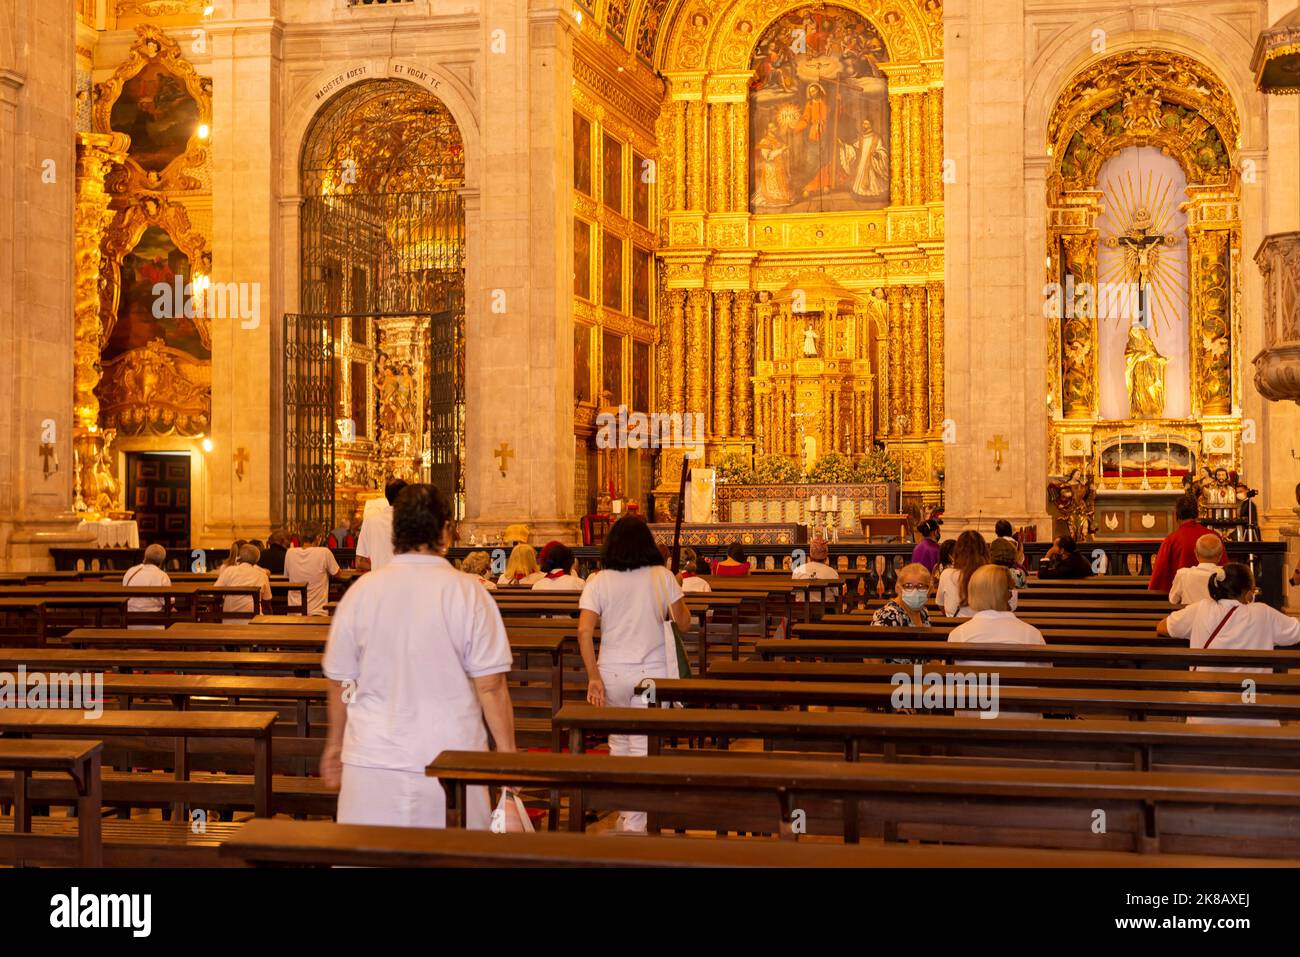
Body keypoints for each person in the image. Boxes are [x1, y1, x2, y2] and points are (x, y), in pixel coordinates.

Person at [321, 483, 517, 827]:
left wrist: (334, 744)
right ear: (445, 530)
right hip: (452, 760)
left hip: (372, 759)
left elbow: (340, 681)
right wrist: (507, 755)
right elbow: (491, 686)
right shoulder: (468, 592)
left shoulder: (361, 593)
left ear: (396, 532)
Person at [577, 515, 690, 833]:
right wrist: (676, 589)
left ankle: (630, 819)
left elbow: (584, 632)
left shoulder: (597, 581)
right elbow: (684, 624)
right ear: (647, 544)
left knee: (619, 746)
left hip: (611, 674)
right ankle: (637, 826)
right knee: (644, 748)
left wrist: (593, 676)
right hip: (651, 679)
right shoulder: (661, 576)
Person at [1158, 563, 1300, 725]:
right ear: (1248, 594)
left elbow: (1163, 626)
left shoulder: (1200, 608)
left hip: (1204, 712)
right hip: (1253, 707)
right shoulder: (1263, 613)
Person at [948, 565, 1048, 717]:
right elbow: (1044, 678)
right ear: (1008, 594)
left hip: (972, 721)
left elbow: (952, 681)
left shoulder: (957, 634)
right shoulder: (1032, 634)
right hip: (1022, 720)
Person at [1148, 495, 1224, 592]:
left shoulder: (1171, 540)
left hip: (1183, 600)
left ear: (1177, 515)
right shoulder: (1213, 536)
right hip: (1212, 597)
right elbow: (1224, 569)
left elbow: (1160, 572)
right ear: (1197, 514)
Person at [284, 528, 341, 615]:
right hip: (317, 612)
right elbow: (338, 573)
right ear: (318, 537)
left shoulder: (290, 553)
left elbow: (287, 576)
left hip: (294, 613)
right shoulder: (324, 552)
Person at [356, 479, 407, 573]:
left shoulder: (370, 521)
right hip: (406, 581)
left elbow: (359, 562)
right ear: (405, 497)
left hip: (379, 582)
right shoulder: (412, 521)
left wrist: (379, 565)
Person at [935, 530, 990, 618]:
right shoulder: (990, 575)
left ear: (957, 552)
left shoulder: (946, 574)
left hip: (954, 627)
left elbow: (941, 604)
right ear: (984, 551)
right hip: (982, 627)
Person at [214, 543, 273, 620]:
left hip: (229, 618)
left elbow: (215, 591)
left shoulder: (229, 571)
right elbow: (267, 602)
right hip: (254, 620)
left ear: (240, 558)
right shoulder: (262, 575)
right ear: (256, 560)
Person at [1168, 534, 1225, 606]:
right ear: (1220, 555)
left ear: (1196, 553)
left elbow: (1173, 600)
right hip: (1217, 617)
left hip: (1190, 616)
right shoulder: (1225, 574)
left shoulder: (1183, 574)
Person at [871, 562, 931, 628]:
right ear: (899, 589)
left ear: (929, 589)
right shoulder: (888, 617)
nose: (915, 591)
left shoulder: (923, 611)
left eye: (921, 586)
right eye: (908, 586)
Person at [122, 543, 172, 622]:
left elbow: (124, 591)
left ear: (145, 556)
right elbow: (169, 601)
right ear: (162, 561)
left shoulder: (131, 571)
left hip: (130, 616)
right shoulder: (162, 576)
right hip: (155, 619)